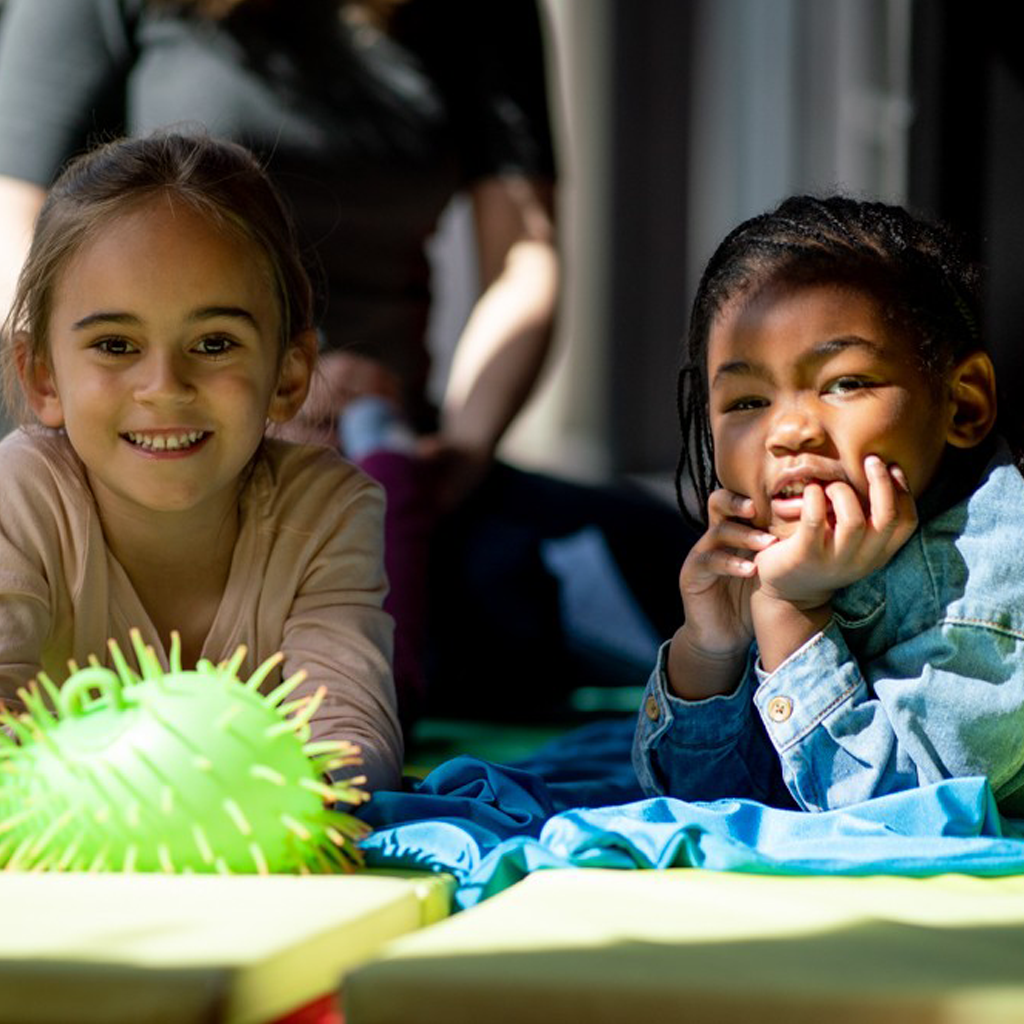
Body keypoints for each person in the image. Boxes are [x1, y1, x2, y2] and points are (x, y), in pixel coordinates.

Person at [0, 0, 693, 731]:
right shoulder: (34, 490)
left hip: (396, 455)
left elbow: (525, 257)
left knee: (653, 562)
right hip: (129, 450)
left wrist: (457, 446)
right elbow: (12, 223)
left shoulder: (484, 15)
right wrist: (120, 377)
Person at [0, 131, 403, 793]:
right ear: (43, 377)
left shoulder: (327, 509)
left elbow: (351, 737)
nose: (164, 385)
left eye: (215, 343)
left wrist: (269, 801)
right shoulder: (22, 497)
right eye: (116, 344)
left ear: (289, 373)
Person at [633, 194, 1024, 816]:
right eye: (746, 403)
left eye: (845, 383)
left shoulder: (995, 579)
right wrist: (711, 644)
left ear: (964, 403)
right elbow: (701, 800)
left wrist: (790, 616)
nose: (790, 432)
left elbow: (903, 817)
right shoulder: (781, 550)